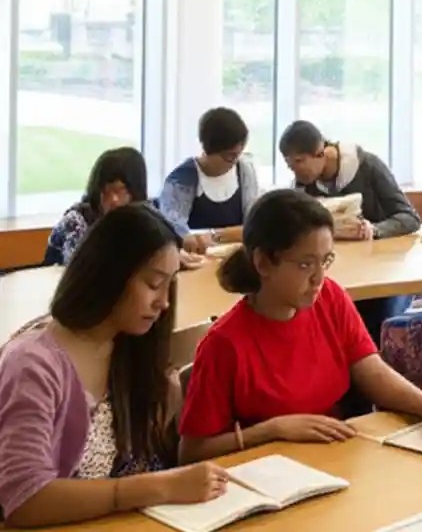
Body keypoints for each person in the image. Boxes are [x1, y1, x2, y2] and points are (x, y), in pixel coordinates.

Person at [177, 189, 422, 464]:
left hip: (336, 460)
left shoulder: (330, 297)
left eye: (326, 261)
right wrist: (271, 430)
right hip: (271, 477)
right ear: (262, 262)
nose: (319, 278)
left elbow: (370, 370)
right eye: (305, 264)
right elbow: (192, 452)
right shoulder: (224, 344)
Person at [0, 204, 229, 528]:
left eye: (169, 285)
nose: (163, 302)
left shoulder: (128, 345)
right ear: (109, 276)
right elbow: (24, 500)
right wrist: (157, 487)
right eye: (153, 284)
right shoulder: (33, 364)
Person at [277, 120, 421, 343]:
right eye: (289, 164)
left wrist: (374, 229)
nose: (295, 170)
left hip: (379, 273)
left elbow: (409, 217)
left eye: (299, 161)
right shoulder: (303, 184)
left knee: (372, 323)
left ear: (320, 152)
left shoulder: (368, 167)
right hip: (332, 273)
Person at [44, 147, 195, 267]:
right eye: (105, 192)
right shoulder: (77, 221)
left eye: (119, 191)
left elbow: (167, 244)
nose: (113, 200)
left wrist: (172, 255)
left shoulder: (145, 214)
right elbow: (83, 272)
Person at [159, 107, 260, 250]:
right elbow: (173, 227)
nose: (234, 161)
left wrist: (214, 235)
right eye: (229, 156)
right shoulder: (183, 177)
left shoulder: (244, 170)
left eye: (238, 154)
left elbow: (253, 226)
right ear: (208, 150)